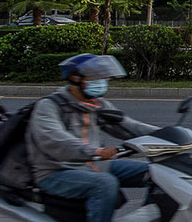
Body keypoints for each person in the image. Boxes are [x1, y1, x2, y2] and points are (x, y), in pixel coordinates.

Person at [28, 54, 161, 222]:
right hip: (56, 172)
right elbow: (57, 140)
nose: (101, 81)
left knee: (156, 173)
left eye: (104, 77)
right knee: (104, 184)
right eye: (95, 77)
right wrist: (96, 151)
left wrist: (171, 134)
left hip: (93, 165)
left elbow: (128, 126)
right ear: (75, 78)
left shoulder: (97, 104)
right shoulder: (49, 105)